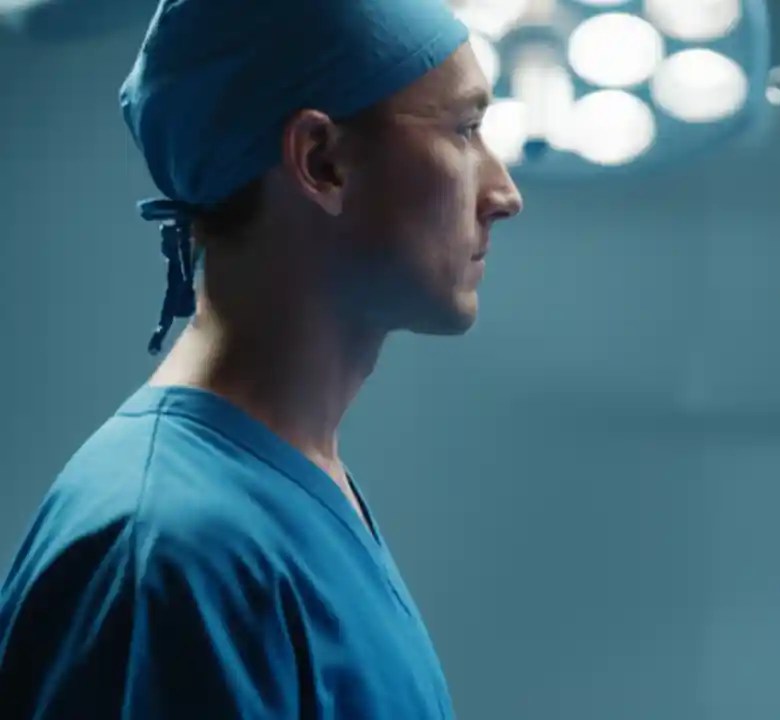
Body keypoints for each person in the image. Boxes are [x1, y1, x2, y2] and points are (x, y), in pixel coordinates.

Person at [0, 0, 521, 717]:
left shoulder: (283, 492)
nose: (504, 194)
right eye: (464, 129)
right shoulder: (173, 552)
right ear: (321, 161)